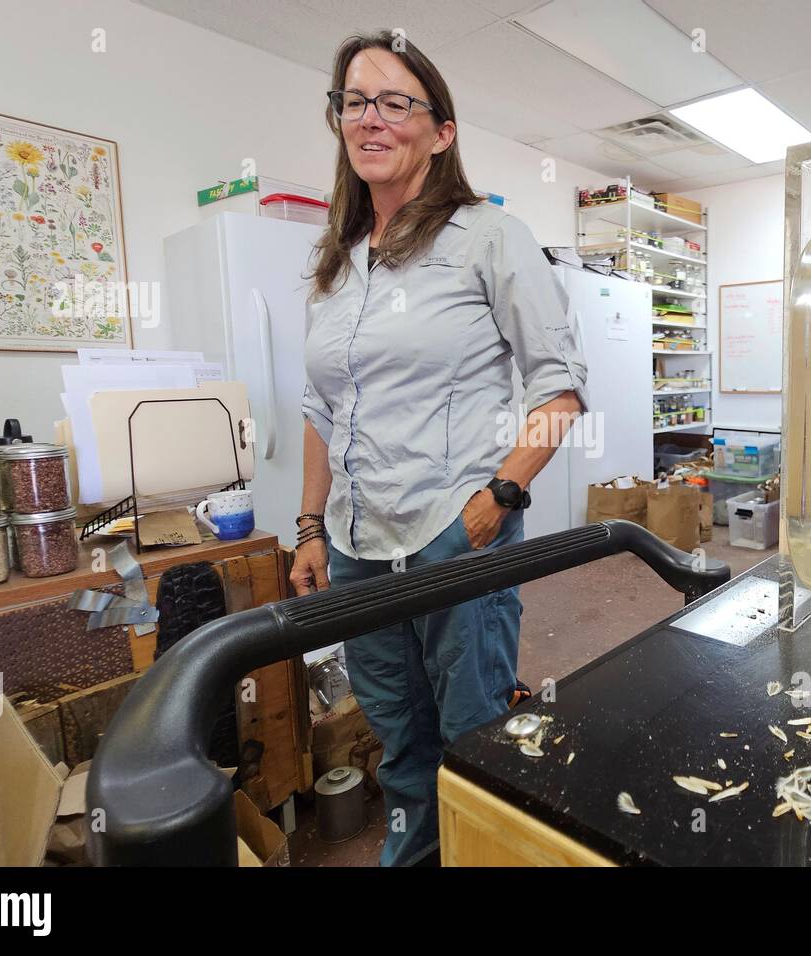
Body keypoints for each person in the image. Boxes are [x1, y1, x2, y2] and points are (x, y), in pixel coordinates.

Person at [290, 30, 588, 866]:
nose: (370, 119)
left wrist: (500, 498)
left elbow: (557, 388)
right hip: (354, 548)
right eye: (354, 101)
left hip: (453, 535)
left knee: (475, 742)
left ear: (441, 131)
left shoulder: (489, 237)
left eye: (395, 102)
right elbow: (321, 407)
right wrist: (310, 528)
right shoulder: (339, 264)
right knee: (400, 748)